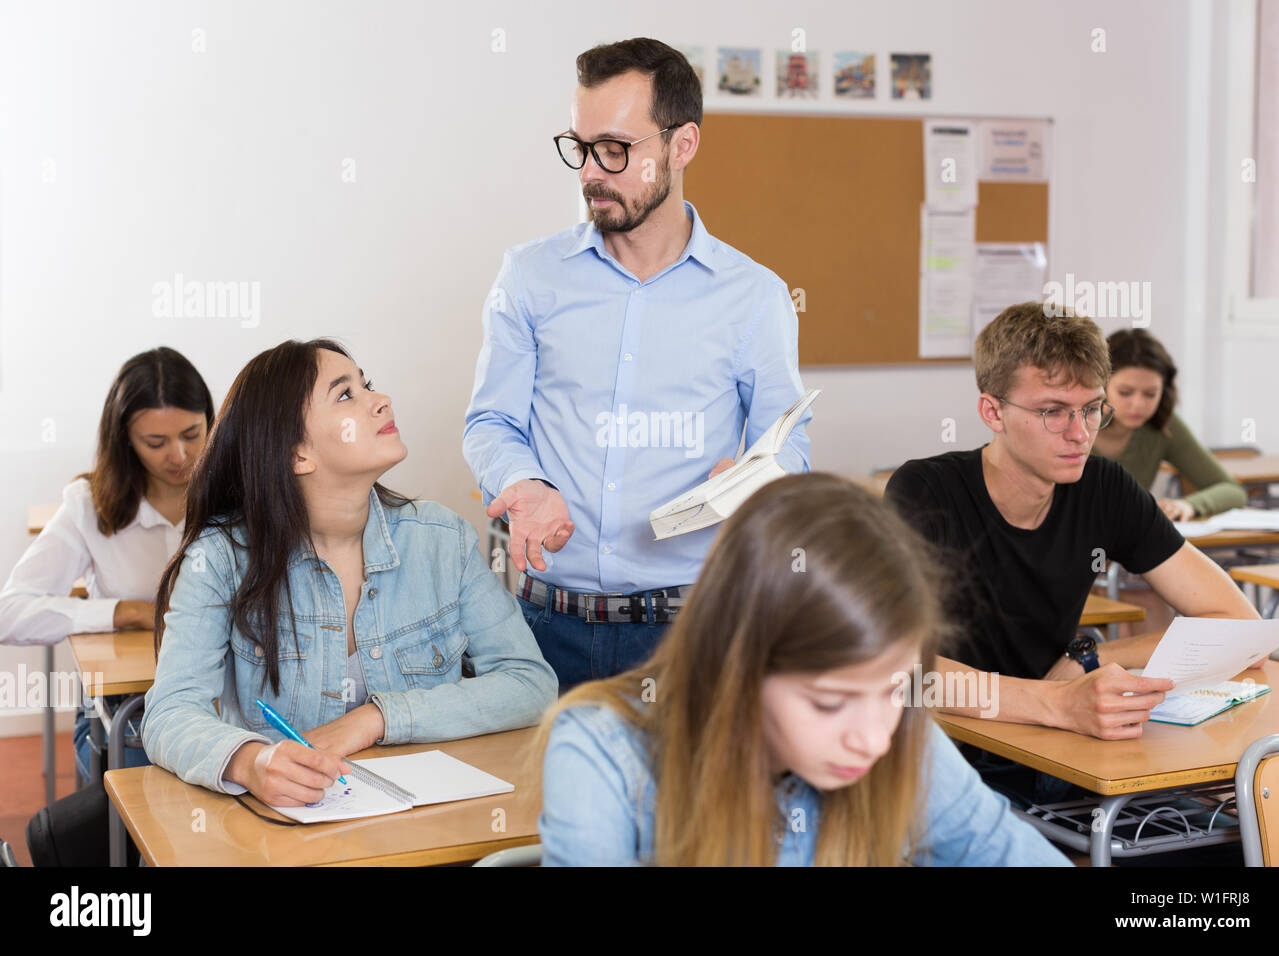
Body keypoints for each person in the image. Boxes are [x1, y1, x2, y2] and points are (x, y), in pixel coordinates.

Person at [463, 37, 810, 690]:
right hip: (541, 629)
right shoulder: (530, 277)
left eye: (617, 150)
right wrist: (525, 482)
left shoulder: (754, 296)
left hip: (688, 635)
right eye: (581, 147)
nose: (592, 171)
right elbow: (490, 422)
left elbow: (788, 444)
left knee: (683, 798)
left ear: (682, 146)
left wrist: (758, 480)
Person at [535, 473, 1071, 865]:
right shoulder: (603, 753)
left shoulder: (905, 735)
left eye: (893, 690)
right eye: (829, 702)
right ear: (737, 665)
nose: (872, 740)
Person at [143, 339, 556, 805]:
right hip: (290, 837)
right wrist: (252, 762)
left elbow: (529, 682)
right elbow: (169, 712)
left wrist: (374, 719)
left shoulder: (442, 539)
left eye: (368, 385)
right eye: (345, 395)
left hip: (422, 828)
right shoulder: (221, 558)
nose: (381, 401)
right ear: (297, 455)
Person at [884, 302, 1258, 742]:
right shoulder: (926, 491)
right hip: (947, 752)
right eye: (1053, 412)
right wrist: (1056, 703)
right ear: (993, 413)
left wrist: (1090, 657)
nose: (1080, 434)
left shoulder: (1104, 487)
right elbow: (898, 665)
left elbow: (1242, 627)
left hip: (1059, 752)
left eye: (1093, 408)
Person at [0, 346, 213, 781]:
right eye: (156, 442)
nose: (178, 455)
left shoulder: (238, 493)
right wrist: (127, 611)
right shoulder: (91, 505)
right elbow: (10, 614)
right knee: (150, 790)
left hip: (222, 699)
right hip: (125, 710)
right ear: (125, 440)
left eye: (192, 434)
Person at [1092, 328, 1247, 520]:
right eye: (1125, 392)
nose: (1138, 405)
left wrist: (1187, 505)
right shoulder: (1072, 424)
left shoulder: (1164, 425)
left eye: (1150, 394)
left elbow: (1233, 491)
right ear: (1100, 385)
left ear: (1164, 392)